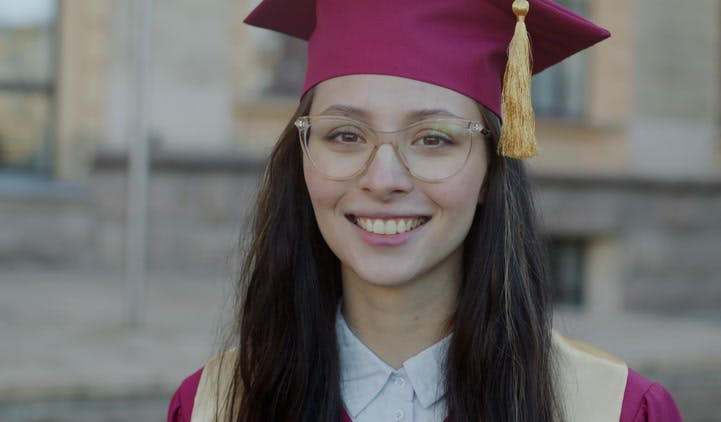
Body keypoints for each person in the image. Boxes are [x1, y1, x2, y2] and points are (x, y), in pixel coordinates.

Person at [169, 0, 683, 421]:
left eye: (433, 139)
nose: (383, 180)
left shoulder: (613, 410)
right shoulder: (212, 408)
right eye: (345, 135)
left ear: (491, 169)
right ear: (302, 158)